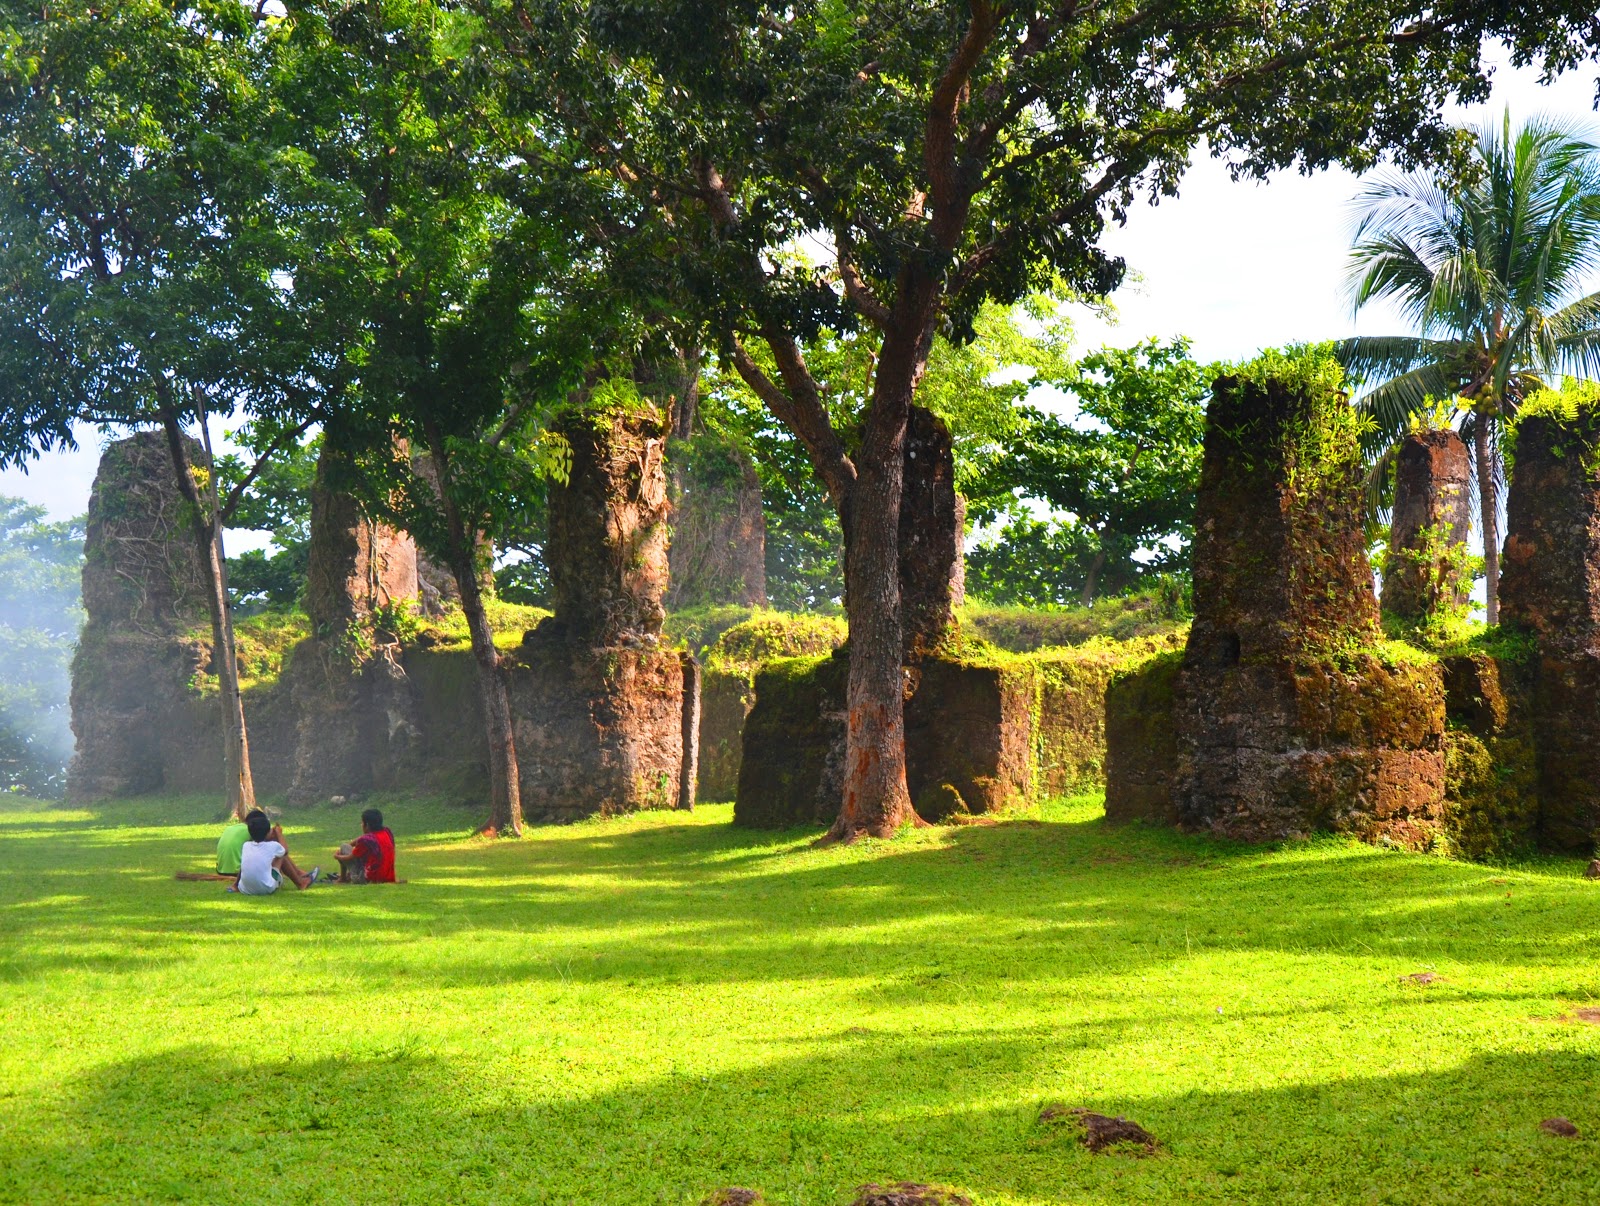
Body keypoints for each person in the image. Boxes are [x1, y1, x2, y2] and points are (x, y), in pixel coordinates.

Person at [234, 810, 321, 894]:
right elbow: (285, 851)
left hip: (245, 889)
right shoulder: (273, 846)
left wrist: (235, 885)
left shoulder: (246, 845)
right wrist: (279, 834)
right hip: (266, 888)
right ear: (267, 833)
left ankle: (299, 874)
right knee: (281, 856)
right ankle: (300, 883)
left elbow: (243, 866)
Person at [334, 808, 396, 884]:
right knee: (347, 847)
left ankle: (343, 878)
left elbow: (349, 857)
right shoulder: (387, 831)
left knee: (344, 847)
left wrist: (337, 856)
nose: (361, 825)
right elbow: (361, 839)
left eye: (362, 823)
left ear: (367, 825)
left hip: (369, 878)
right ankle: (345, 877)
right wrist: (349, 845)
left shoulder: (365, 840)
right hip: (387, 876)